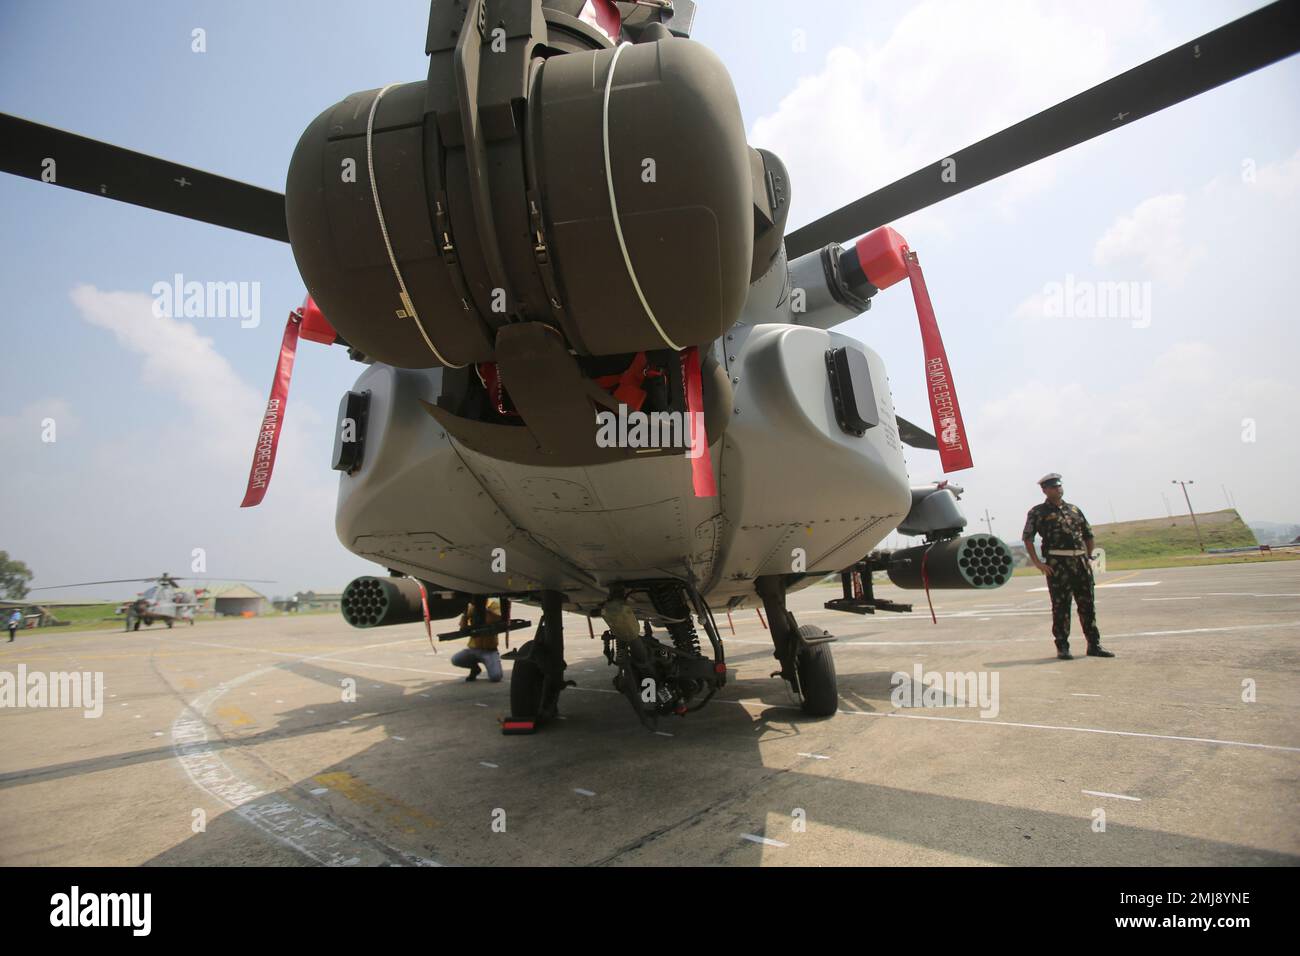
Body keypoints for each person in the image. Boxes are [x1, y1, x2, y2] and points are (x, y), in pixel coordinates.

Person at [1022, 473, 1115, 660]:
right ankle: (1062, 647)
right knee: (1061, 607)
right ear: (1045, 490)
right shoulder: (1038, 512)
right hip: (1058, 565)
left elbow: (1088, 534)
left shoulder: (1074, 509)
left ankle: (1094, 645)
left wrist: (1088, 556)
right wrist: (1038, 563)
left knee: (1087, 605)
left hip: (1080, 563)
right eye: (1053, 487)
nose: (1058, 489)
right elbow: (1027, 538)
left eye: (1059, 486)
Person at [450, 599, 504, 682]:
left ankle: (489, 665)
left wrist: (483, 608)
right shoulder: (472, 607)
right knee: (456, 659)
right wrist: (465, 614)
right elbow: (462, 626)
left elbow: (491, 620)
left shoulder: (493, 604)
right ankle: (475, 669)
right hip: (474, 649)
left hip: (489, 651)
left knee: (496, 677)